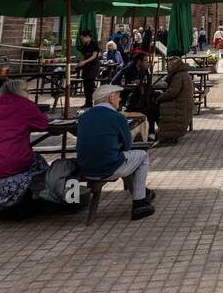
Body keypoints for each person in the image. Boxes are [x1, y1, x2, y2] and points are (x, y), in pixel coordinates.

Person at [0, 78, 51, 214]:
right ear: (20, 91)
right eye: (27, 90)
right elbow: (43, 124)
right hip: (10, 162)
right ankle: (33, 201)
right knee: (40, 163)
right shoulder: (25, 105)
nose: (28, 93)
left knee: (27, 158)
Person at [76, 84, 154, 220]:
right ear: (111, 98)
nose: (120, 99)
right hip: (107, 166)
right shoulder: (117, 117)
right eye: (118, 96)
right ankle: (139, 202)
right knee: (141, 156)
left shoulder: (84, 117)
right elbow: (128, 145)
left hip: (84, 167)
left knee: (128, 159)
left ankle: (140, 192)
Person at [151, 55, 193, 145]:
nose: (167, 67)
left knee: (155, 107)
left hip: (179, 105)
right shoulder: (183, 73)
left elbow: (172, 93)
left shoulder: (178, 75)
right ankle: (162, 134)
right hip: (184, 103)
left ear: (174, 65)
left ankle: (161, 135)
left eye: (168, 65)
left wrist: (159, 99)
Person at [76, 29, 101, 108]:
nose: (82, 40)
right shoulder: (85, 45)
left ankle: (94, 101)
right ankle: (88, 102)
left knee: (90, 84)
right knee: (85, 84)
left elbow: (94, 56)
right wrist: (80, 62)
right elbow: (83, 55)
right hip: (86, 66)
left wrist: (84, 62)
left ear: (87, 37)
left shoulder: (94, 44)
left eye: (82, 38)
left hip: (93, 66)